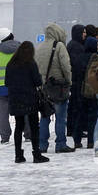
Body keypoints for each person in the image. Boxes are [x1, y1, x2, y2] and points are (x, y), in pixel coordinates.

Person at [5, 39, 47, 164]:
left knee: (19, 126)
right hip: (30, 99)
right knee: (34, 126)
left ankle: (18, 155)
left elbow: (7, 82)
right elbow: (37, 81)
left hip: (16, 99)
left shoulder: (11, 63)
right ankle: (36, 154)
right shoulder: (31, 63)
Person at [34, 22, 73, 153]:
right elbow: (66, 66)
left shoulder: (39, 47)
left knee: (45, 116)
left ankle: (42, 145)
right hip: (58, 87)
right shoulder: (59, 46)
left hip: (44, 88)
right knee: (61, 118)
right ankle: (60, 144)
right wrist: (69, 80)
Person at [66, 24, 88, 147]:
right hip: (77, 80)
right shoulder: (76, 46)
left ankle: (71, 128)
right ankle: (74, 129)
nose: (85, 34)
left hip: (75, 80)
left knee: (73, 106)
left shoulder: (74, 45)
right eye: (83, 32)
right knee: (76, 106)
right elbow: (78, 64)